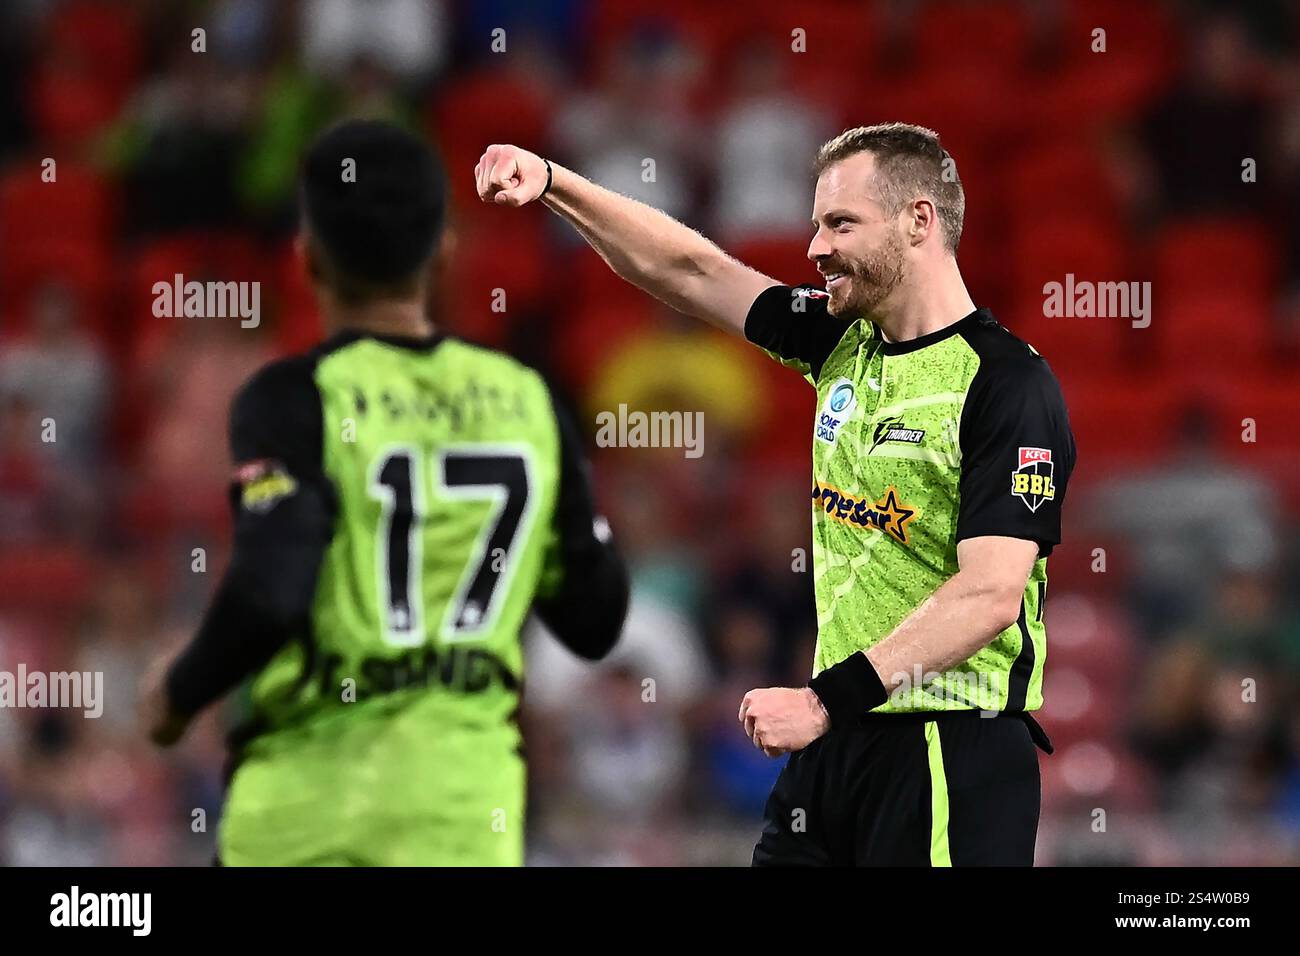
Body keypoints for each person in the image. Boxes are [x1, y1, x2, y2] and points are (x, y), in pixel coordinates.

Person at [476, 122, 1075, 865]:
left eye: (840, 223)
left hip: (945, 749)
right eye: (815, 224)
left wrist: (823, 701)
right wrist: (556, 182)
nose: (814, 248)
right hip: (833, 747)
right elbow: (693, 271)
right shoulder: (838, 342)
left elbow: (990, 594)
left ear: (919, 221)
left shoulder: (1007, 385)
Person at [141, 119, 629, 866]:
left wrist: (177, 695)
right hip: (462, 822)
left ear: (305, 259)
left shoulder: (293, 398)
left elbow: (270, 591)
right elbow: (594, 621)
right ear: (445, 251)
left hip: (304, 819)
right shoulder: (527, 400)